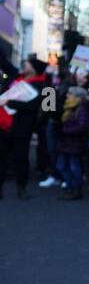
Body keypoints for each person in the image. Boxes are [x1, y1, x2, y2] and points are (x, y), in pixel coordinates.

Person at [0, 54, 49, 200]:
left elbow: (36, 107)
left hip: (22, 127)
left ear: (33, 69)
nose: (24, 65)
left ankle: (22, 187)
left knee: (21, 159)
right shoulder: (17, 77)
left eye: (27, 64)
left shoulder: (44, 86)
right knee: (1, 158)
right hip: (3, 125)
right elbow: (4, 62)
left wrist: (8, 102)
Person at [54, 83, 89, 199]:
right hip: (67, 142)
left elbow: (82, 126)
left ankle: (76, 189)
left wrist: (66, 130)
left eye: (70, 94)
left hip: (74, 142)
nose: (67, 96)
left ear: (78, 97)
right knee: (62, 166)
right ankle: (71, 186)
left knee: (73, 166)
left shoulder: (82, 109)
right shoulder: (68, 107)